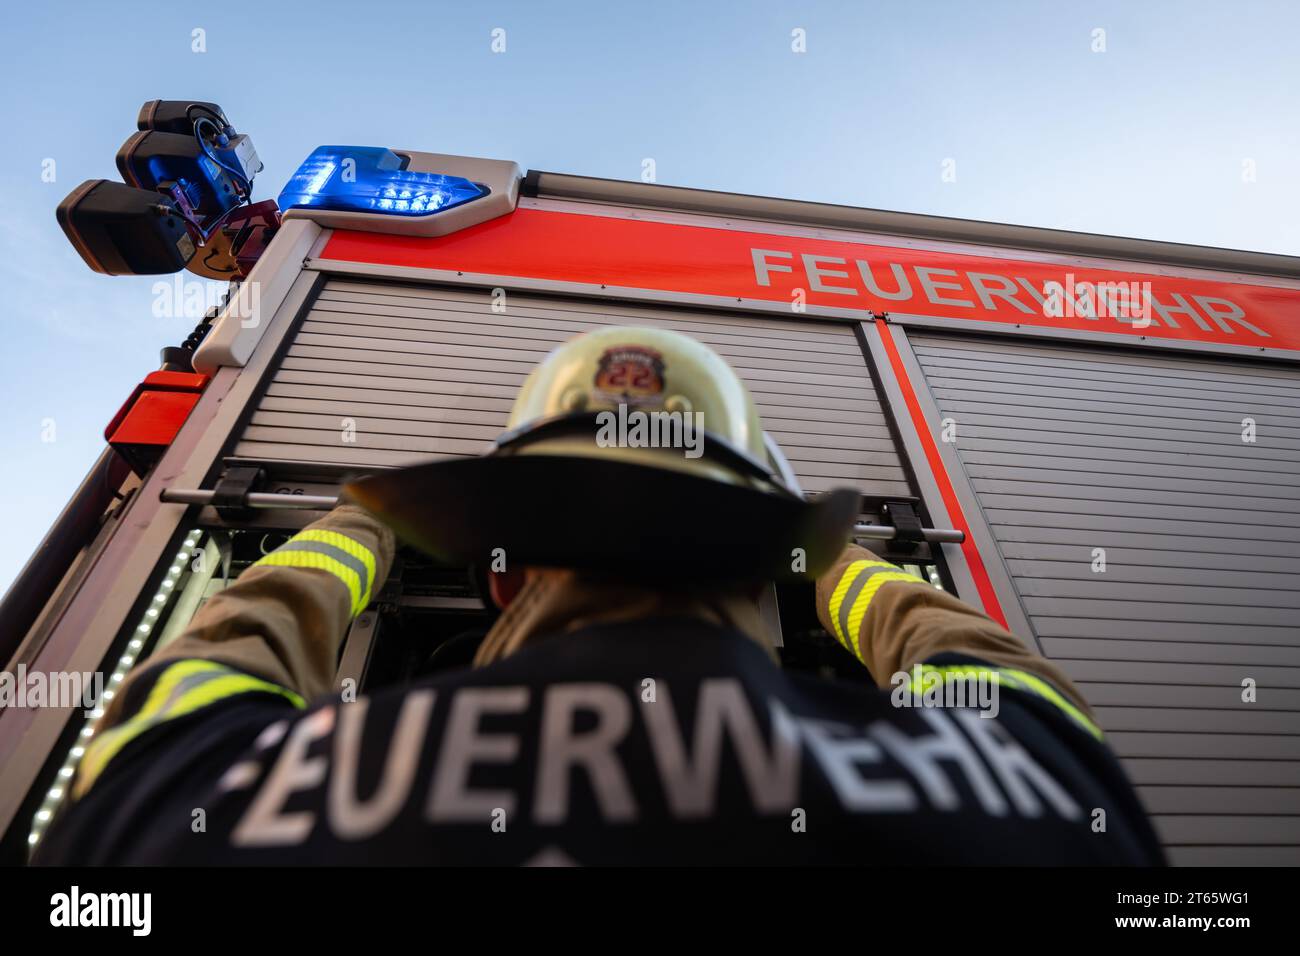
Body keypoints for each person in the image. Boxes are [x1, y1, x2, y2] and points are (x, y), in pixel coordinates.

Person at [35, 326, 1163, 865]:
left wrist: (368, 522)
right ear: (763, 569)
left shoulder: (226, 807)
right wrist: (842, 569)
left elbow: (180, 694)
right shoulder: (1027, 795)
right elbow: (1012, 690)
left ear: (502, 568)